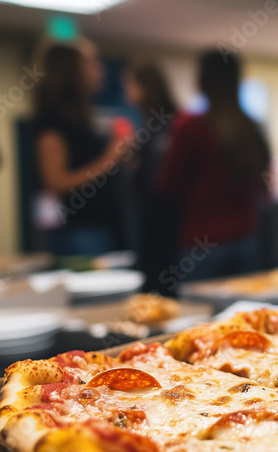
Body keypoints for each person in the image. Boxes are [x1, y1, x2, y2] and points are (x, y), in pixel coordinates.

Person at [158, 48, 270, 281]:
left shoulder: (191, 127)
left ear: (202, 80)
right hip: (246, 236)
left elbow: (168, 185)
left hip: (201, 241)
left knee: (201, 316)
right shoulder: (251, 128)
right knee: (246, 314)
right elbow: (263, 187)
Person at [33, 40, 132, 257]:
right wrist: (110, 157)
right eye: (91, 63)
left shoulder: (82, 119)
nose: (100, 69)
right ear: (71, 72)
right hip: (80, 233)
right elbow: (55, 182)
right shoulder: (52, 122)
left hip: (103, 227)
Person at [122, 60, 180, 295]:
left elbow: (160, 183)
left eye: (130, 85)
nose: (128, 92)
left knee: (163, 286)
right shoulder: (149, 127)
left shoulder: (165, 126)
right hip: (153, 225)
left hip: (163, 227)